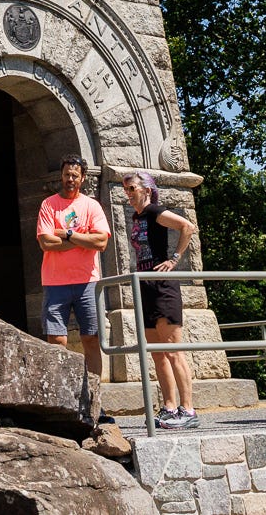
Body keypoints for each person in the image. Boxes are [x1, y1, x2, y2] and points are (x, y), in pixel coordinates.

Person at [121, 171, 200, 429]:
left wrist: (174, 259)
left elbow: (187, 227)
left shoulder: (156, 211)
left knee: (173, 350)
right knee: (156, 354)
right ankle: (169, 406)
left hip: (163, 285)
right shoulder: (136, 216)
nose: (128, 193)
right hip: (145, 285)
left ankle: (188, 410)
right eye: (126, 189)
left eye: (132, 188)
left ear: (145, 189)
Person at [36, 155, 109, 379]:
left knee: (91, 338)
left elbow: (101, 242)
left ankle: (95, 401)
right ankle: (63, 399)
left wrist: (68, 234)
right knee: (57, 340)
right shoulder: (49, 205)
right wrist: (82, 239)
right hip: (55, 282)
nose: (70, 179)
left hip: (87, 282)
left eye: (75, 175)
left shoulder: (91, 205)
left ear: (83, 178)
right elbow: (46, 242)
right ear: (61, 175)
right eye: (66, 174)